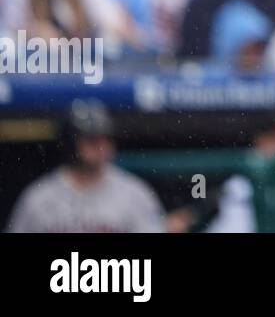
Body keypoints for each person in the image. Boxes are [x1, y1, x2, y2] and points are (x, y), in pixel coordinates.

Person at [6, 99, 165, 233]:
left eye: (104, 138)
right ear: (70, 142)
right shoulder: (39, 198)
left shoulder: (135, 194)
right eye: (91, 139)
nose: (100, 146)